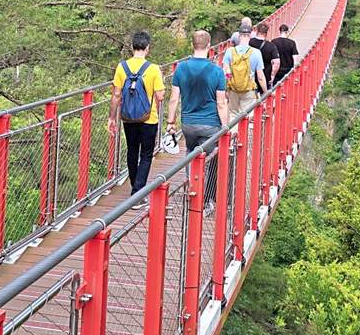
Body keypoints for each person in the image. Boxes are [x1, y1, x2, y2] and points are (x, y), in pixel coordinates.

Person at [166, 30, 229, 209]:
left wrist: (170, 123)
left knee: (190, 153)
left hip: (188, 124)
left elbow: (174, 99)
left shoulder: (181, 68)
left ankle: (191, 189)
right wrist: (225, 127)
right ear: (209, 46)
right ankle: (205, 199)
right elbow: (221, 103)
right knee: (208, 160)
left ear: (192, 45)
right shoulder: (217, 71)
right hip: (210, 124)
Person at [108, 31, 166, 208]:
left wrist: (112, 118)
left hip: (128, 117)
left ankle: (135, 186)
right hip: (149, 118)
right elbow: (160, 96)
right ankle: (137, 194)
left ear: (132, 47)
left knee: (132, 151)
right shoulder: (153, 69)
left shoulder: (122, 67)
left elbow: (116, 94)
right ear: (147, 48)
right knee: (146, 155)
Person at [222, 22, 266, 116]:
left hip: (233, 89)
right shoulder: (256, 52)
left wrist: (225, 89)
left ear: (239, 35)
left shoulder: (229, 51)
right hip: (249, 89)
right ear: (250, 36)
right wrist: (265, 92)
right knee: (247, 115)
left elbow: (225, 73)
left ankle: (234, 126)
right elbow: (260, 77)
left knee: (233, 114)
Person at [249, 22, 281, 92]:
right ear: (266, 33)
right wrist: (272, 75)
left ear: (257, 31)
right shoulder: (271, 46)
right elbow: (276, 62)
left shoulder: (249, 42)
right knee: (264, 95)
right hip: (265, 76)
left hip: (249, 75)